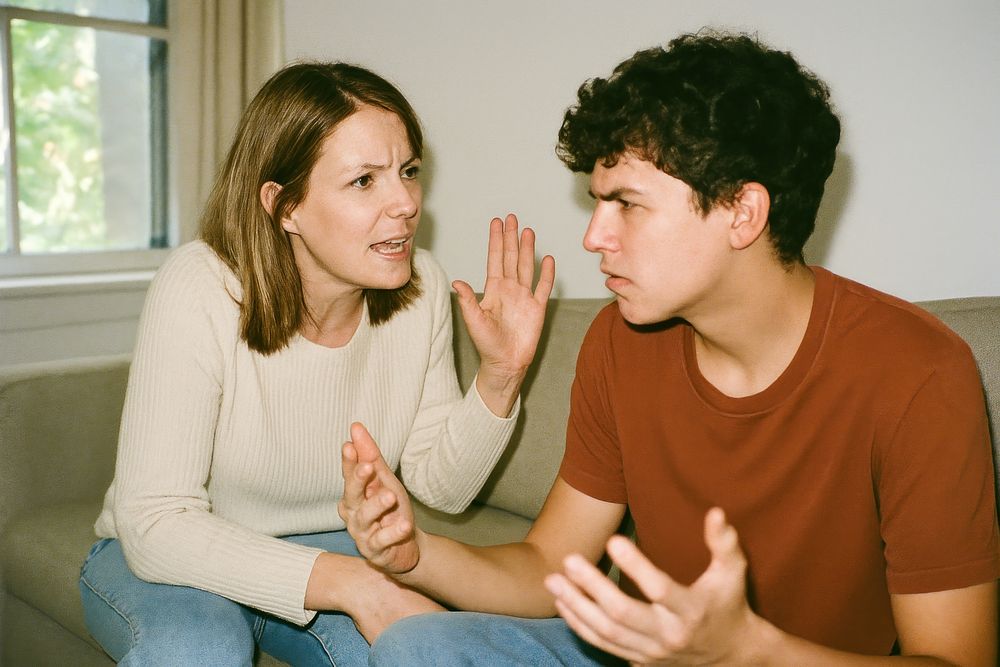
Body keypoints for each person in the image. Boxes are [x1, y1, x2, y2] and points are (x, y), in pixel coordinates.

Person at [339, 31, 999, 665]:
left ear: (743, 212)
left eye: (627, 203)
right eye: (598, 202)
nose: (595, 236)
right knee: (415, 645)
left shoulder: (919, 373)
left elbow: (957, 659)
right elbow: (549, 566)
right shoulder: (620, 341)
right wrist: (415, 552)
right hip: (633, 654)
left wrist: (750, 653)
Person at [77, 61, 555, 666]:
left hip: (327, 543)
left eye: (408, 172)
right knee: (199, 647)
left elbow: (442, 489)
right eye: (365, 181)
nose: (405, 202)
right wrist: (355, 584)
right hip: (166, 555)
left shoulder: (423, 288)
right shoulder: (199, 286)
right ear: (285, 207)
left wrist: (500, 376)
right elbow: (156, 522)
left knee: (424, 648)